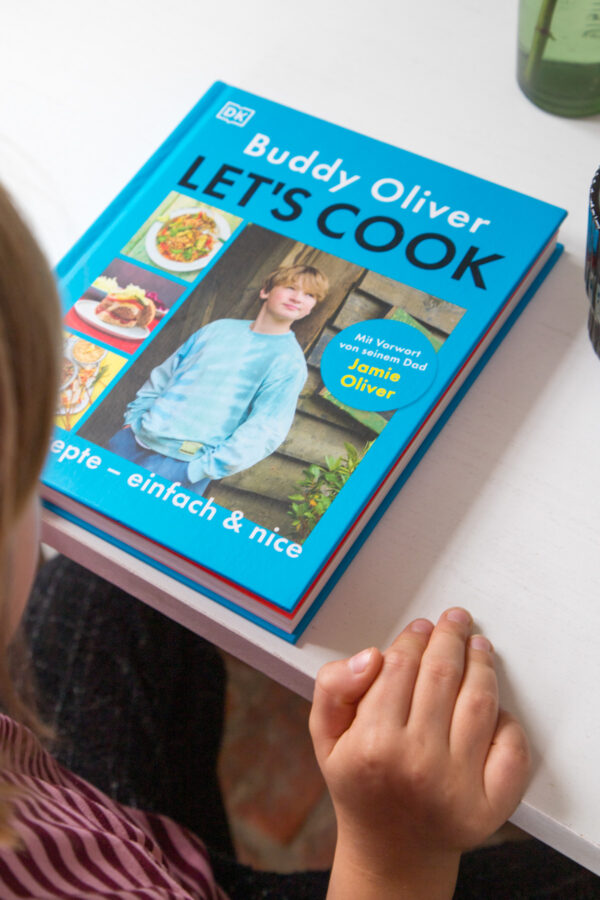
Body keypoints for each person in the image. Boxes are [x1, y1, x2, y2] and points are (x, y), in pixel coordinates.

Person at [1, 182, 599, 899]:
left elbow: (252, 423)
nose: (42, 503)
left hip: (103, 825)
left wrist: (184, 454)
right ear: (270, 292)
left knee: (99, 584)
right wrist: (396, 856)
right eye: (20, 484)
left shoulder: (277, 359)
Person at [108, 264, 328, 495]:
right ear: (265, 291)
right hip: (133, 440)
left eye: (310, 295)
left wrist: (195, 470)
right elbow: (163, 376)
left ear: (311, 308)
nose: (298, 298)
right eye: (291, 287)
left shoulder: (288, 362)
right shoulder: (217, 329)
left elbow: (266, 430)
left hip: (181, 466)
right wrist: (131, 422)